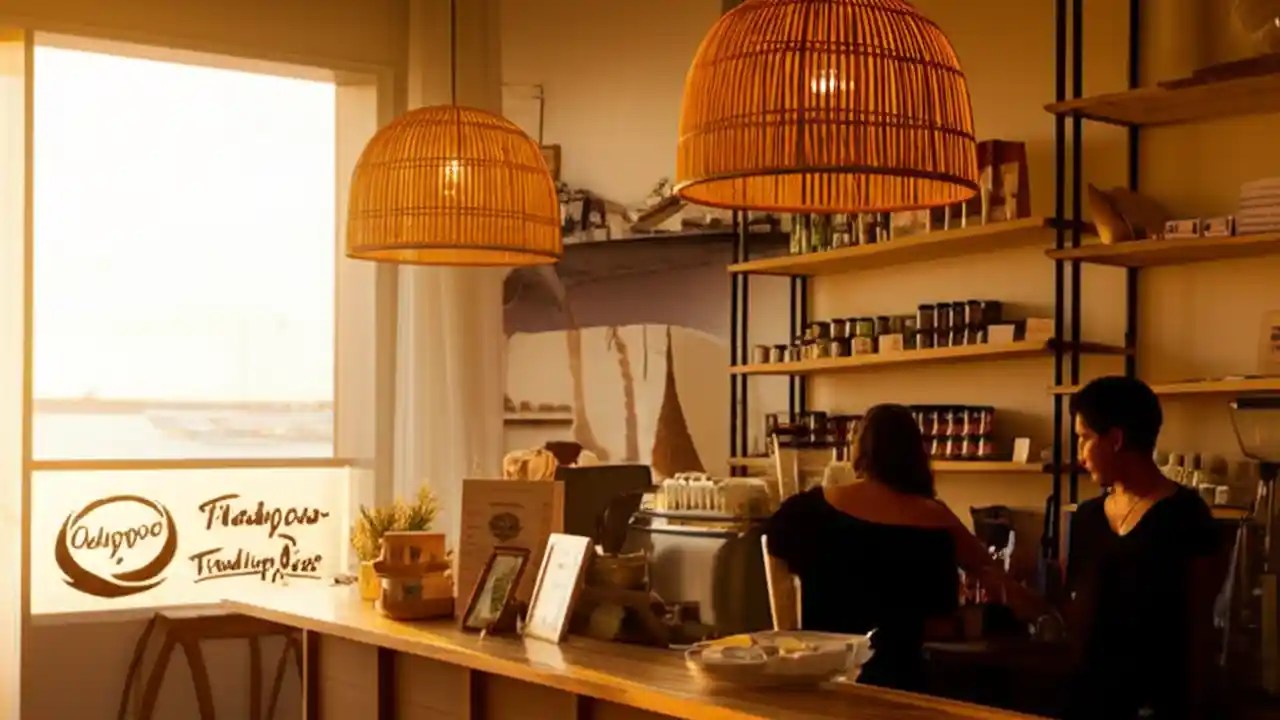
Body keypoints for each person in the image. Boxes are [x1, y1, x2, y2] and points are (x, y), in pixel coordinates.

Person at [765, 403, 1041, 692]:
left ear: (858, 450)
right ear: (917, 455)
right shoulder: (935, 517)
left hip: (825, 674)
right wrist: (1044, 609)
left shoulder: (808, 509)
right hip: (905, 680)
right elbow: (991, 574)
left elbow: (774, 552)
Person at [1063, 376, 1225, 719]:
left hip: (1160, 702)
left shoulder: (1186, 516)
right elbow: (1076, 609)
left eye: (1085, 439)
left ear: (1117, 439)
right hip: (1088, 700)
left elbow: (1200, 623)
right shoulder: (1087, 517)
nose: (1079, 454)